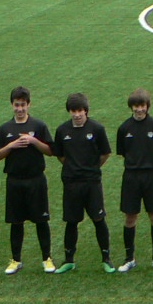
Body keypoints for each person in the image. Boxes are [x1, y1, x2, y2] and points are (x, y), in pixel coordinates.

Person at [0, 86, 54, 273]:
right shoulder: (5, 128)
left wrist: (34, 142)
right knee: (16, 222)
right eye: (16, 105)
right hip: (14, 181)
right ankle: (15, 260)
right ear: (12, 105)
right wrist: (12, 145)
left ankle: (47, 258)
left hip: (36, 180)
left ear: (29, 105)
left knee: (41, 221)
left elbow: (51, 151)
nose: (20, 109)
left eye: (23, 105)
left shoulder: (38, 126)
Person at [52, 92, 113, 273]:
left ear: (86, 110)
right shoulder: (62, 131)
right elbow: (60, 155)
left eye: (80, 111)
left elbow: (105, 153)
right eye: (73, 111)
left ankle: (106, 259)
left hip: (92, 183)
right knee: (71, 221)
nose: (77, 115)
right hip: (71, 183)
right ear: (69, 111)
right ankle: (69, 259)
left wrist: (92, 168)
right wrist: (72, 167)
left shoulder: (97, 129)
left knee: (98, 219)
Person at [114, 88, 153, 272]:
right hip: (131, 177)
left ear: (147, 106)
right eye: (136, 106)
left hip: (151, 176)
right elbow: (122, 152)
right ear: (131, 107)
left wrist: (151, 167)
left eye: (142, 106)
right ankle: (129, 258)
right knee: (130, 217)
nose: (139, 109)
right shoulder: (124, 128)